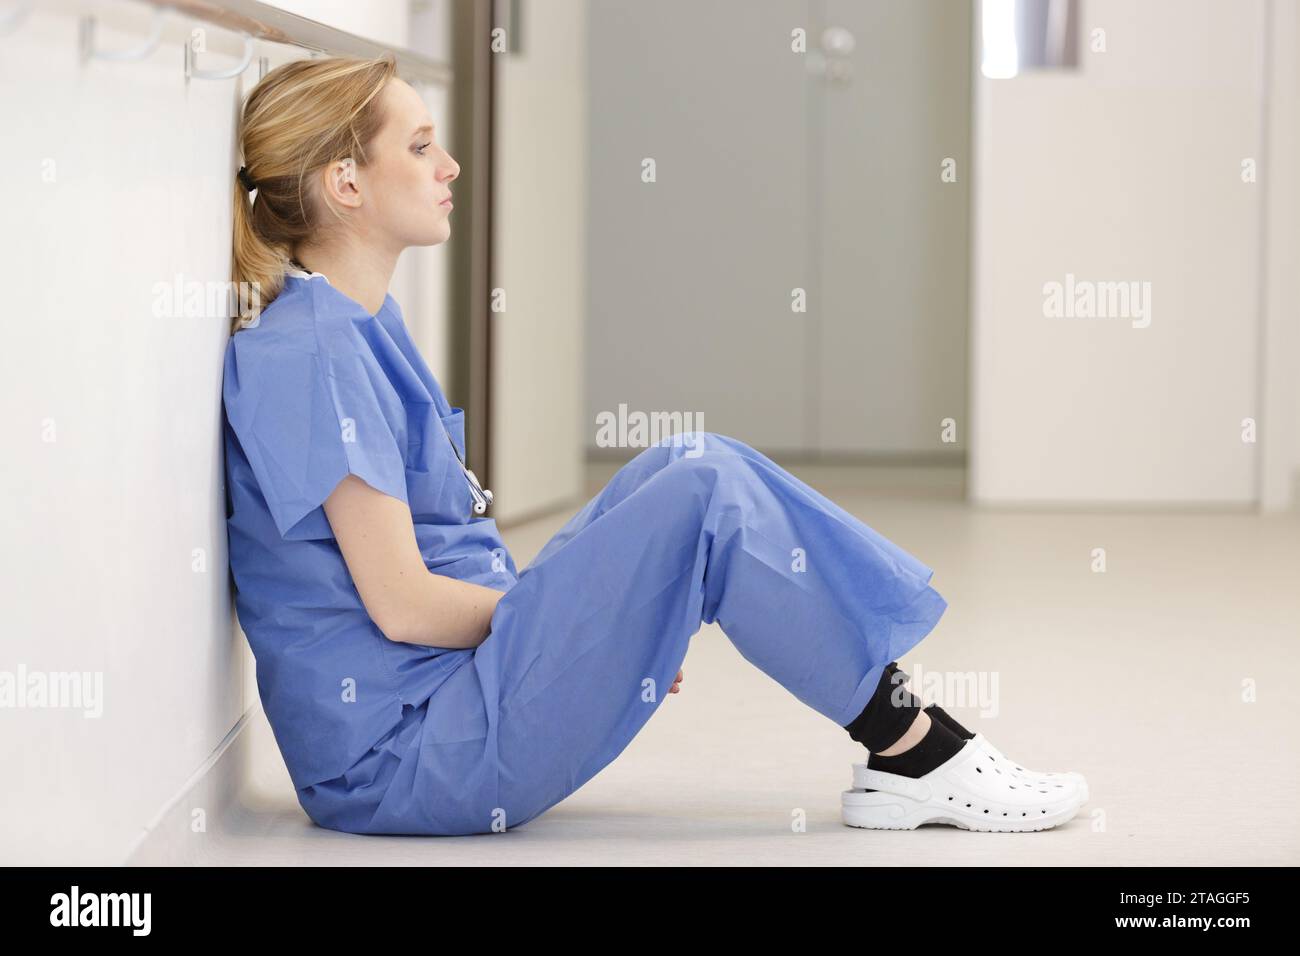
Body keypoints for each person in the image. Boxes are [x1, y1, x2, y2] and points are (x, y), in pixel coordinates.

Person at [222, 55, 1087, 837]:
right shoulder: (312, 354)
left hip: (454, 694)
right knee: (705, 489)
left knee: (683, 460)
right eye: (418, 148)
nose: (449, 167)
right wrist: (585, 619)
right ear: (345, 182)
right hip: (407, 758)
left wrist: (595, 621)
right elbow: (403, 606)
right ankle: (914, 747)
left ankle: (905, 739)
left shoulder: (356, 324)